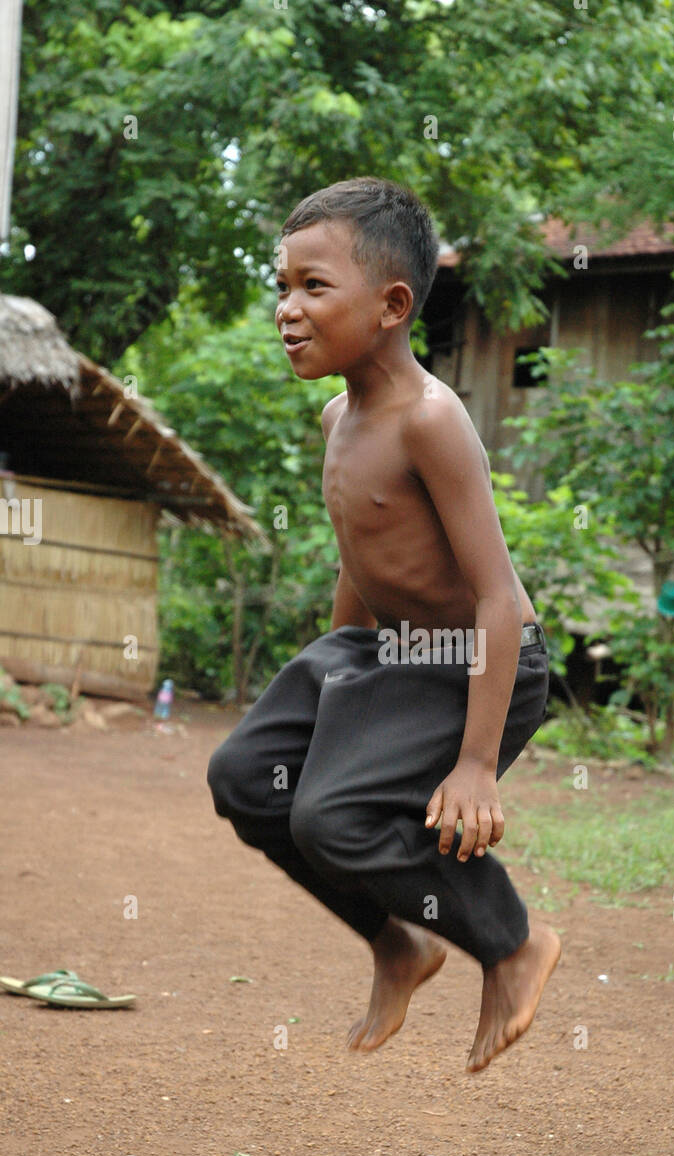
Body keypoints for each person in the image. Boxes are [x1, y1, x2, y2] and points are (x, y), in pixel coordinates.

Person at [207, 177, 560, 1072]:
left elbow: (494, 596)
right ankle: (399, 944)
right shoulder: (337, 414)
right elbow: (361, 559)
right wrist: (338, 672)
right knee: (248, 777)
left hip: (480, 659)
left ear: (393, 304)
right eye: (281, 285)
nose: (287, 309)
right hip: (386, 652)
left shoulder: (430, 421)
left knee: (333, 816)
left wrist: (476, 766)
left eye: (313, 287)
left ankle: (511, 942)